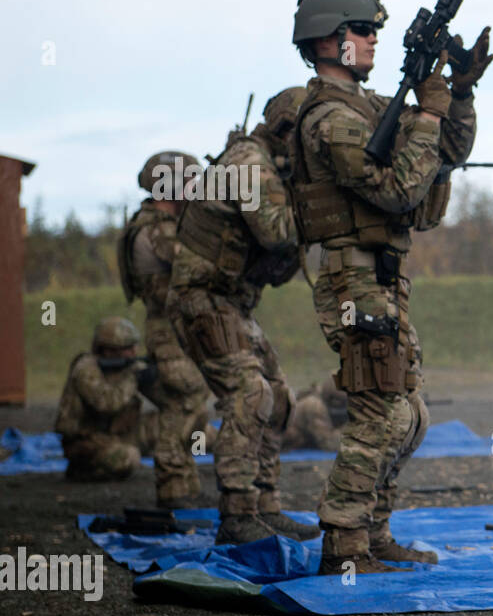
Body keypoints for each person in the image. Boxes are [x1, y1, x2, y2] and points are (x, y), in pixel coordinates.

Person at [290, 0, 489, 573]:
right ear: (327, 40)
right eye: (360, 28)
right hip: (352, 281)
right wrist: (427, 111)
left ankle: (374, 534)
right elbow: (399, 190)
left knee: (412, 414)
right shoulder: (330, 118)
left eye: (375, 28)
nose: (372, 36)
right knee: (380, 411)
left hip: (383, 278)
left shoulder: (374, 107)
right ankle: (343, 544)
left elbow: (445, 152)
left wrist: (459, 92)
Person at [166, 89, 319, 545]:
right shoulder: (248, 162)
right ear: (286, 130)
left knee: (278, 395)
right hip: (201, 300)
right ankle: (236, 515)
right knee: (249, 394)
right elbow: (275, 232)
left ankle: (264, 506)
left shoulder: (275, 165)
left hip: (231, 303)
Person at [119, 152, 211, 508]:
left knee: (191, 403)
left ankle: (182, 485)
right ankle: (173, 485)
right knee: (185, 398)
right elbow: (198, 266)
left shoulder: (159, 224)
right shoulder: (155, 229)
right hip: (166, 331)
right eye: (189, 182)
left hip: (175, 328)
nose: (195, 190)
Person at [55, 317, 149, 482]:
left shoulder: (125, 367)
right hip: (85, 442)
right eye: (128, 348)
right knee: (128, 458)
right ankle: (82, 470)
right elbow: (107, 403)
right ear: (108, 350)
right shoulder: (85, 369)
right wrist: (133, 378)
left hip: (116, 434)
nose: (134, 352)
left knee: (178, 427)